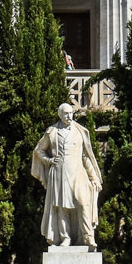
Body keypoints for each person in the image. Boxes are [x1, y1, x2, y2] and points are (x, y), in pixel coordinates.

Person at [29, 103, 102, 249]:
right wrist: (48, 161)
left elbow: (85, 157)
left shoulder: (80, 131)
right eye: (66, 114)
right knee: (61, 207)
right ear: (59, 115)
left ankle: (88, 236)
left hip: (78, 174)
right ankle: (65, 238)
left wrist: (93, 177)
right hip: (59, 174)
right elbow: (39, 150)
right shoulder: (52, 132)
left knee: (83, 204)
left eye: (71, 113)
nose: (69, 116)